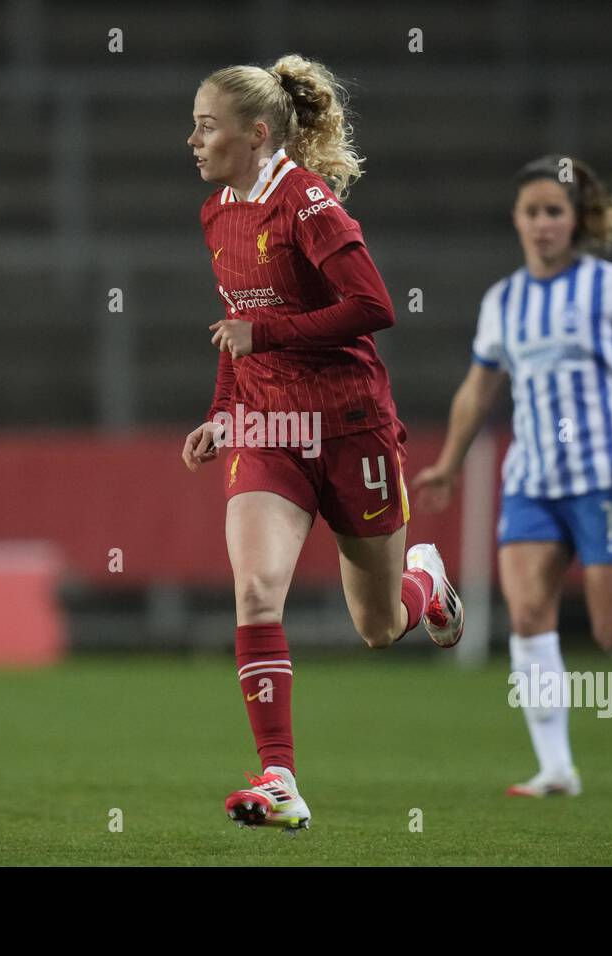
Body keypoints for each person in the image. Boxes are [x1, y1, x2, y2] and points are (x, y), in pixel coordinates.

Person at [181, 54, 464, 830]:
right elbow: (235, 333)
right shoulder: (216, 213)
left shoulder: (307, 205)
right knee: (255, 589)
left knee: (377, 627)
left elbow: (374, 305)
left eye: (207, 125)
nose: (193, 139)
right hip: (270, 430)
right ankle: (280, 779)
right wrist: (222, 415)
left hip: (350, 429)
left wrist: (262, 330)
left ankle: (425, 586)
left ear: (256, 134)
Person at [413, 155, 612, 797]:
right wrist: (448, 463)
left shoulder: (610, 286)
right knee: (529, 613)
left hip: (608, 478)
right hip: (532, 481)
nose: (542, 224)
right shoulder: (502, 302)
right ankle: (557, 766)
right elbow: (477, 391)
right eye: (531, 213)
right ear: (516, 220)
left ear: (575, 219)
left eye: (553, 212)